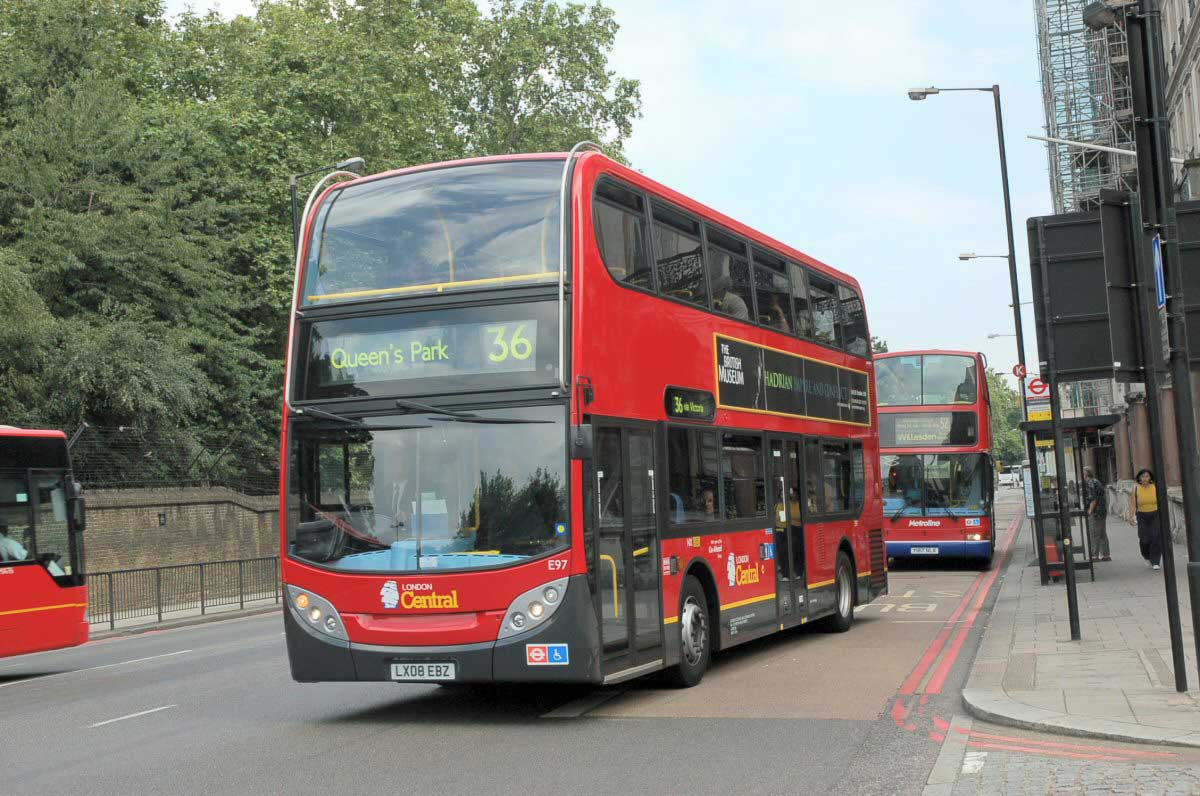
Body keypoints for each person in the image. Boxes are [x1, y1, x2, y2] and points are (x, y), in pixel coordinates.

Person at [1129, 468, 1162, 570]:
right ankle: (1146, 556)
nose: (1145, 478)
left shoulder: (1155, 487)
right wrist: (1131, 516)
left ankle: (1155, 561)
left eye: (1147, 476)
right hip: (1142, 515)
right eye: (1143, 476)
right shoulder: (1136, 488)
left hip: (1155, 514)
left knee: (1155, 538)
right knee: (1144, 539)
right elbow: (1133, 504)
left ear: (1150, 477)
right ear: (1139, 478)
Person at [1083, 467, 1110, 562]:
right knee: (1102, 534)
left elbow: (1093, 499)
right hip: (1102, 512)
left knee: (1094, 534)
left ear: (1085, 475)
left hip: (1096, 513)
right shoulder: (1096, 481)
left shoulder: (1090, 483)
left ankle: (1094, 556)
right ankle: (1106, 555)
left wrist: (1090, 511)